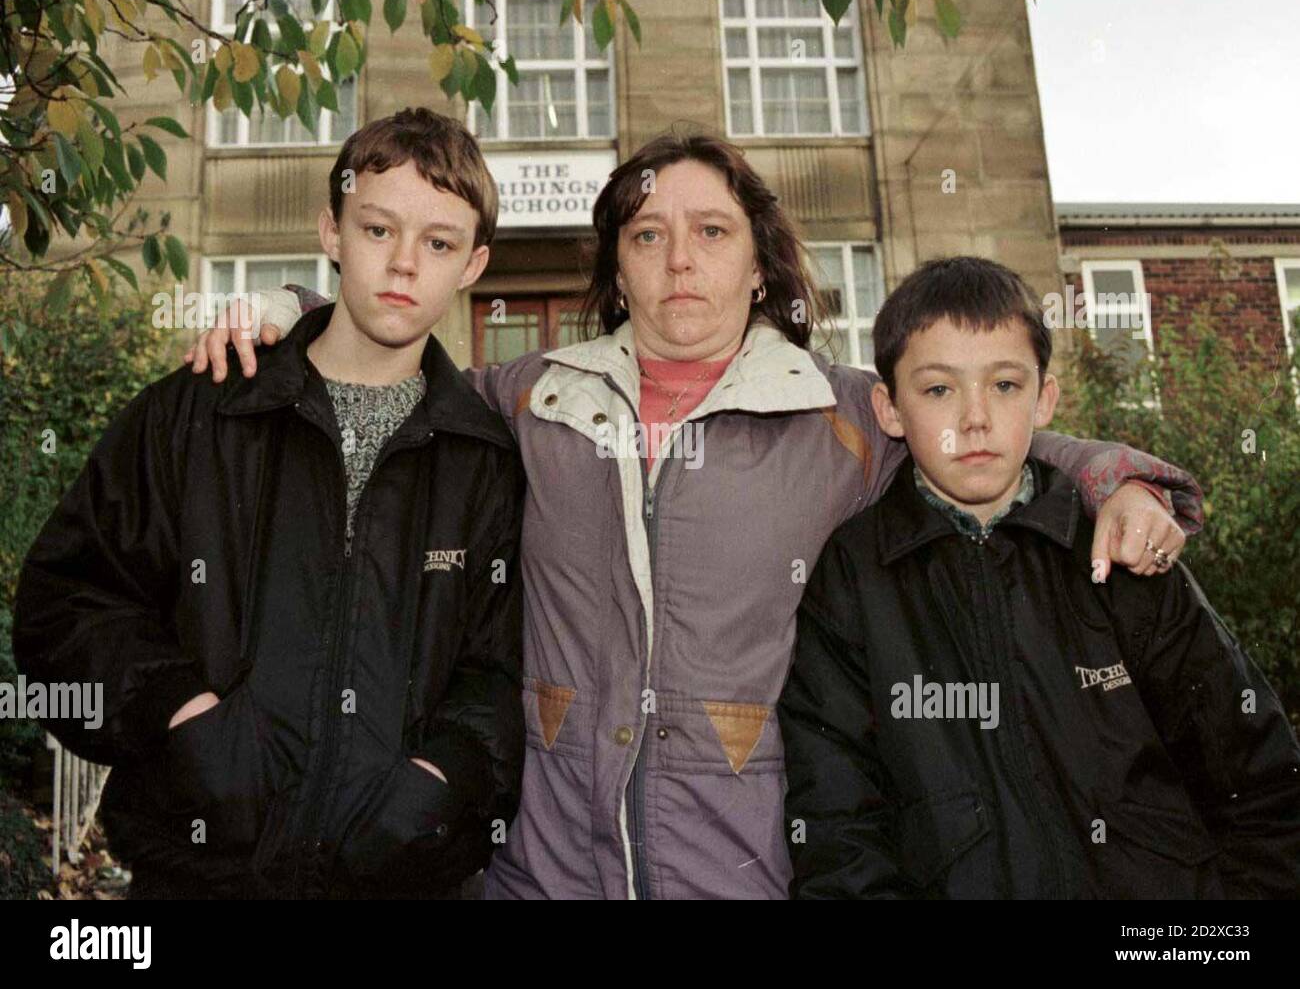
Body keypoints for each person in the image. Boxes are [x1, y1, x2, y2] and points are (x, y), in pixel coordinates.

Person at [187, 131, 1203, 899]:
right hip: (540, 872)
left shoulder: (839, 410)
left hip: (744, 864)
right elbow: (384, 357)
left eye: (710, 232)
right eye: (647, 235)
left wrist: (1120, 478)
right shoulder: (528, 396)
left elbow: (988, 435)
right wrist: (289, 309)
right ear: (616, 266)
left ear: (756, 260)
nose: (680, 261)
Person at [14, 108, 526, 899]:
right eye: (377, 229)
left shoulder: (486, 460)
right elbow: (67, 599)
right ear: (331, 232)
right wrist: (181, 713)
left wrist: (437, 781)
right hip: (199, 874)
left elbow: (498, 672)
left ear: (473, 265)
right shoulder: (202, 409)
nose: (402, 265)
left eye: (438, 243)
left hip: (395, 880)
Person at [778, 256, 1300, 899]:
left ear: (1044, 398)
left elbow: (1263, 784)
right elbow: (838, 836)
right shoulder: (852, 583)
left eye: (1004, 385)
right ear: (889, 408)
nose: (975, 418)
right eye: (938, 389)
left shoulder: (1121, 554)